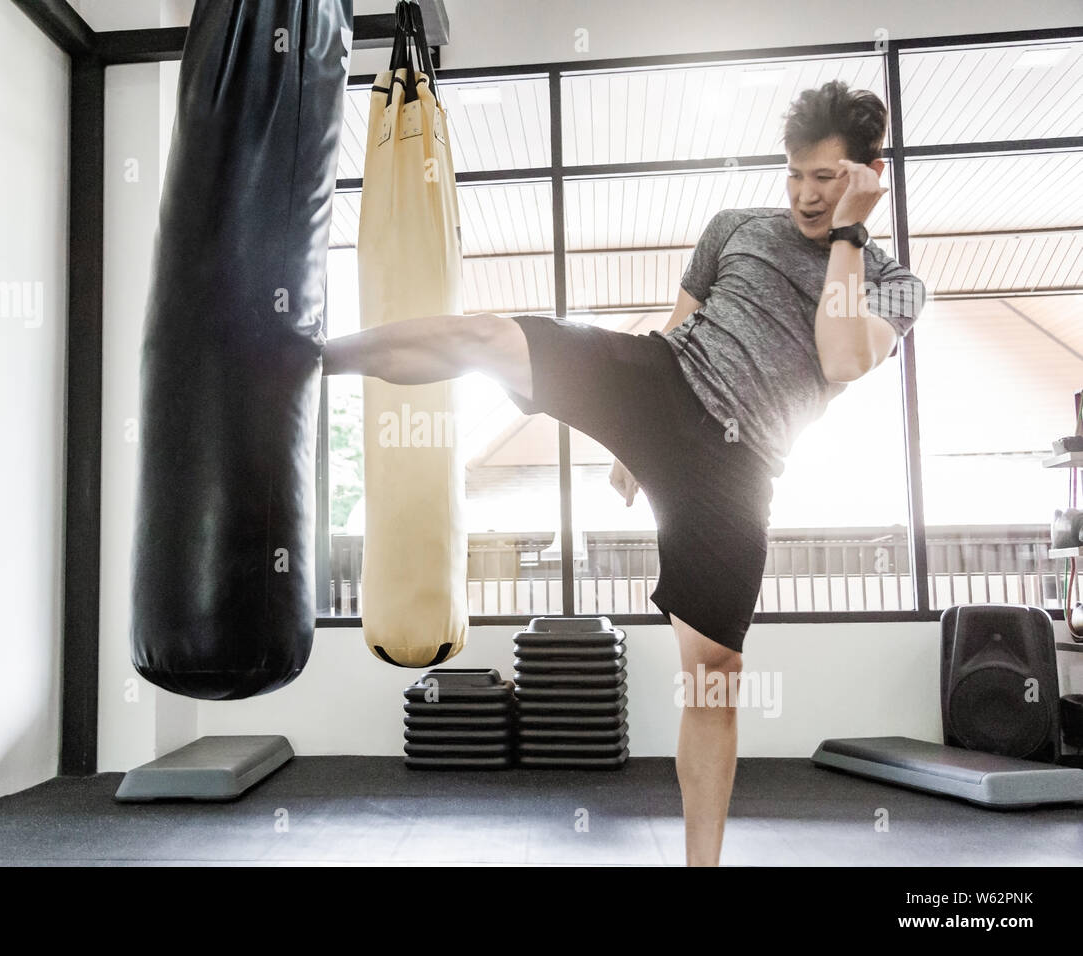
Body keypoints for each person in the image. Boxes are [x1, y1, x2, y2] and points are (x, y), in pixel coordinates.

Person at [321, 79, 926, 865]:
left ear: (870, 175)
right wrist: (627, 447)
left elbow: (842, 357)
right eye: (796, 176)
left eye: (829, 178)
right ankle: (305, 360)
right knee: (489, 337)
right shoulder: (736, 226)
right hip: (661, 382)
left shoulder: (894, 284)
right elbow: (677, 329)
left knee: (714, 677)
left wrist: (848, 235)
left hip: (739, 470)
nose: (807, 196)